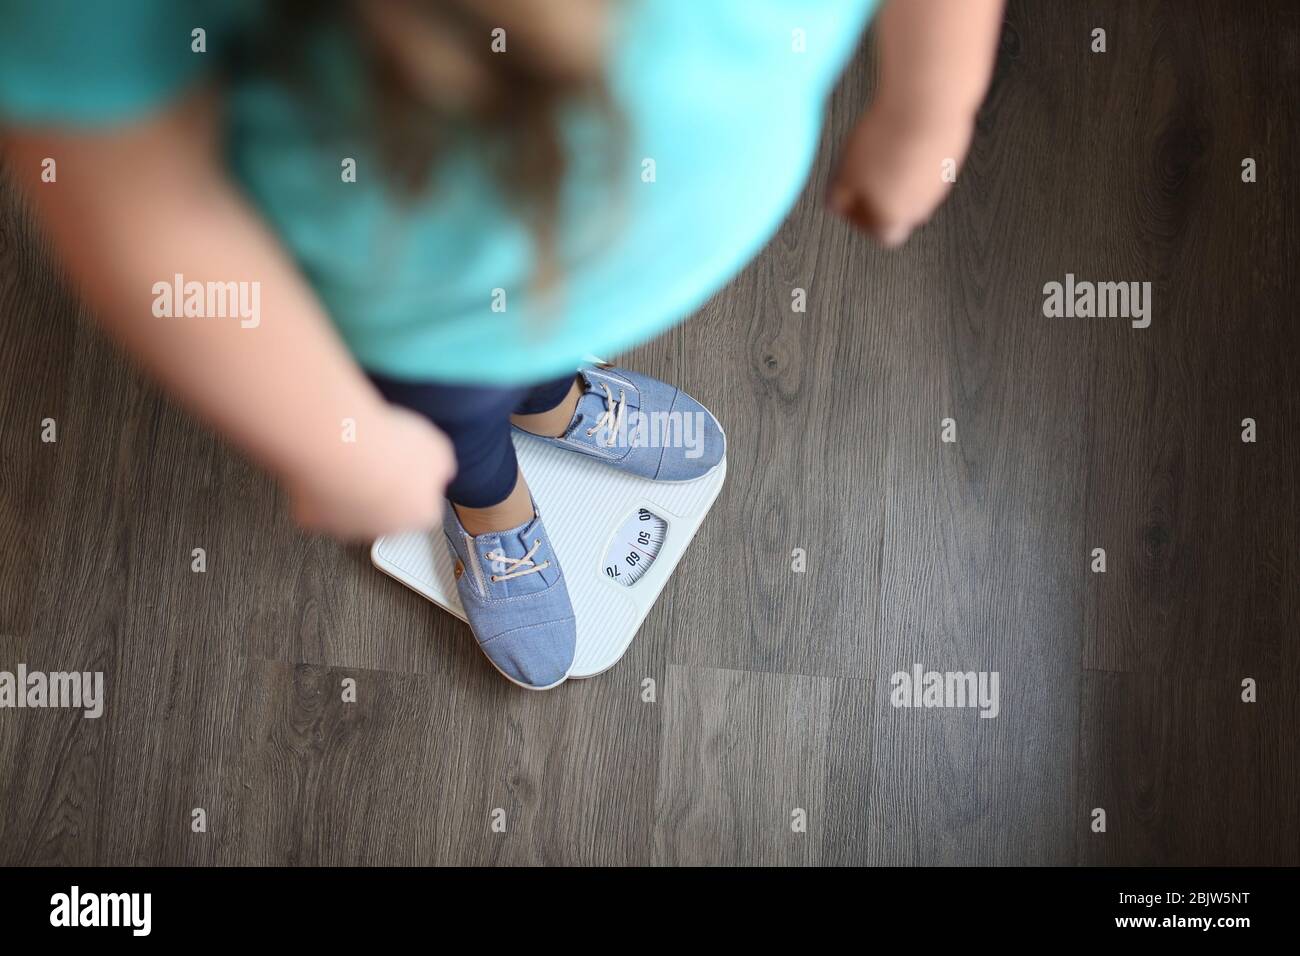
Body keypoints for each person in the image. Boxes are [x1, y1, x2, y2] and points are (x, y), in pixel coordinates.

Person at [0, 0, 1004, 689]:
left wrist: (929, 104)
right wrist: (333, 441)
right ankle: (485, 500)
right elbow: (118, 178)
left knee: (532, 359)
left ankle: (553, 399)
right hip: (406, 309)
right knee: (448, 411)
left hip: (628, 258)